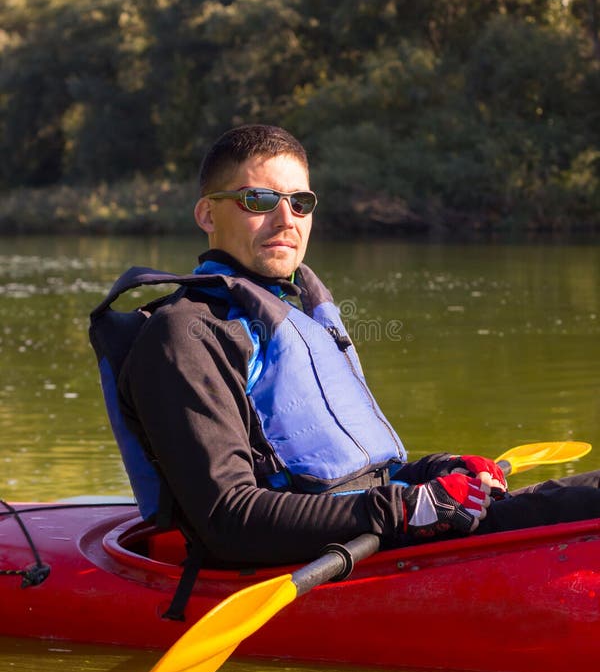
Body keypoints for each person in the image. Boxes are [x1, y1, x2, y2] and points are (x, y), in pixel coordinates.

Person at [115, 124, 600, 568]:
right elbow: (229, 521)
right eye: (259, 200)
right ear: (207, 213)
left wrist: (439, 470)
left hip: (381, 531)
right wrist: (410, 507)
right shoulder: (185, 334)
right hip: (322, 560)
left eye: (300, 203)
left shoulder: (303, 313)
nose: (287, 220)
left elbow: (365, 477)